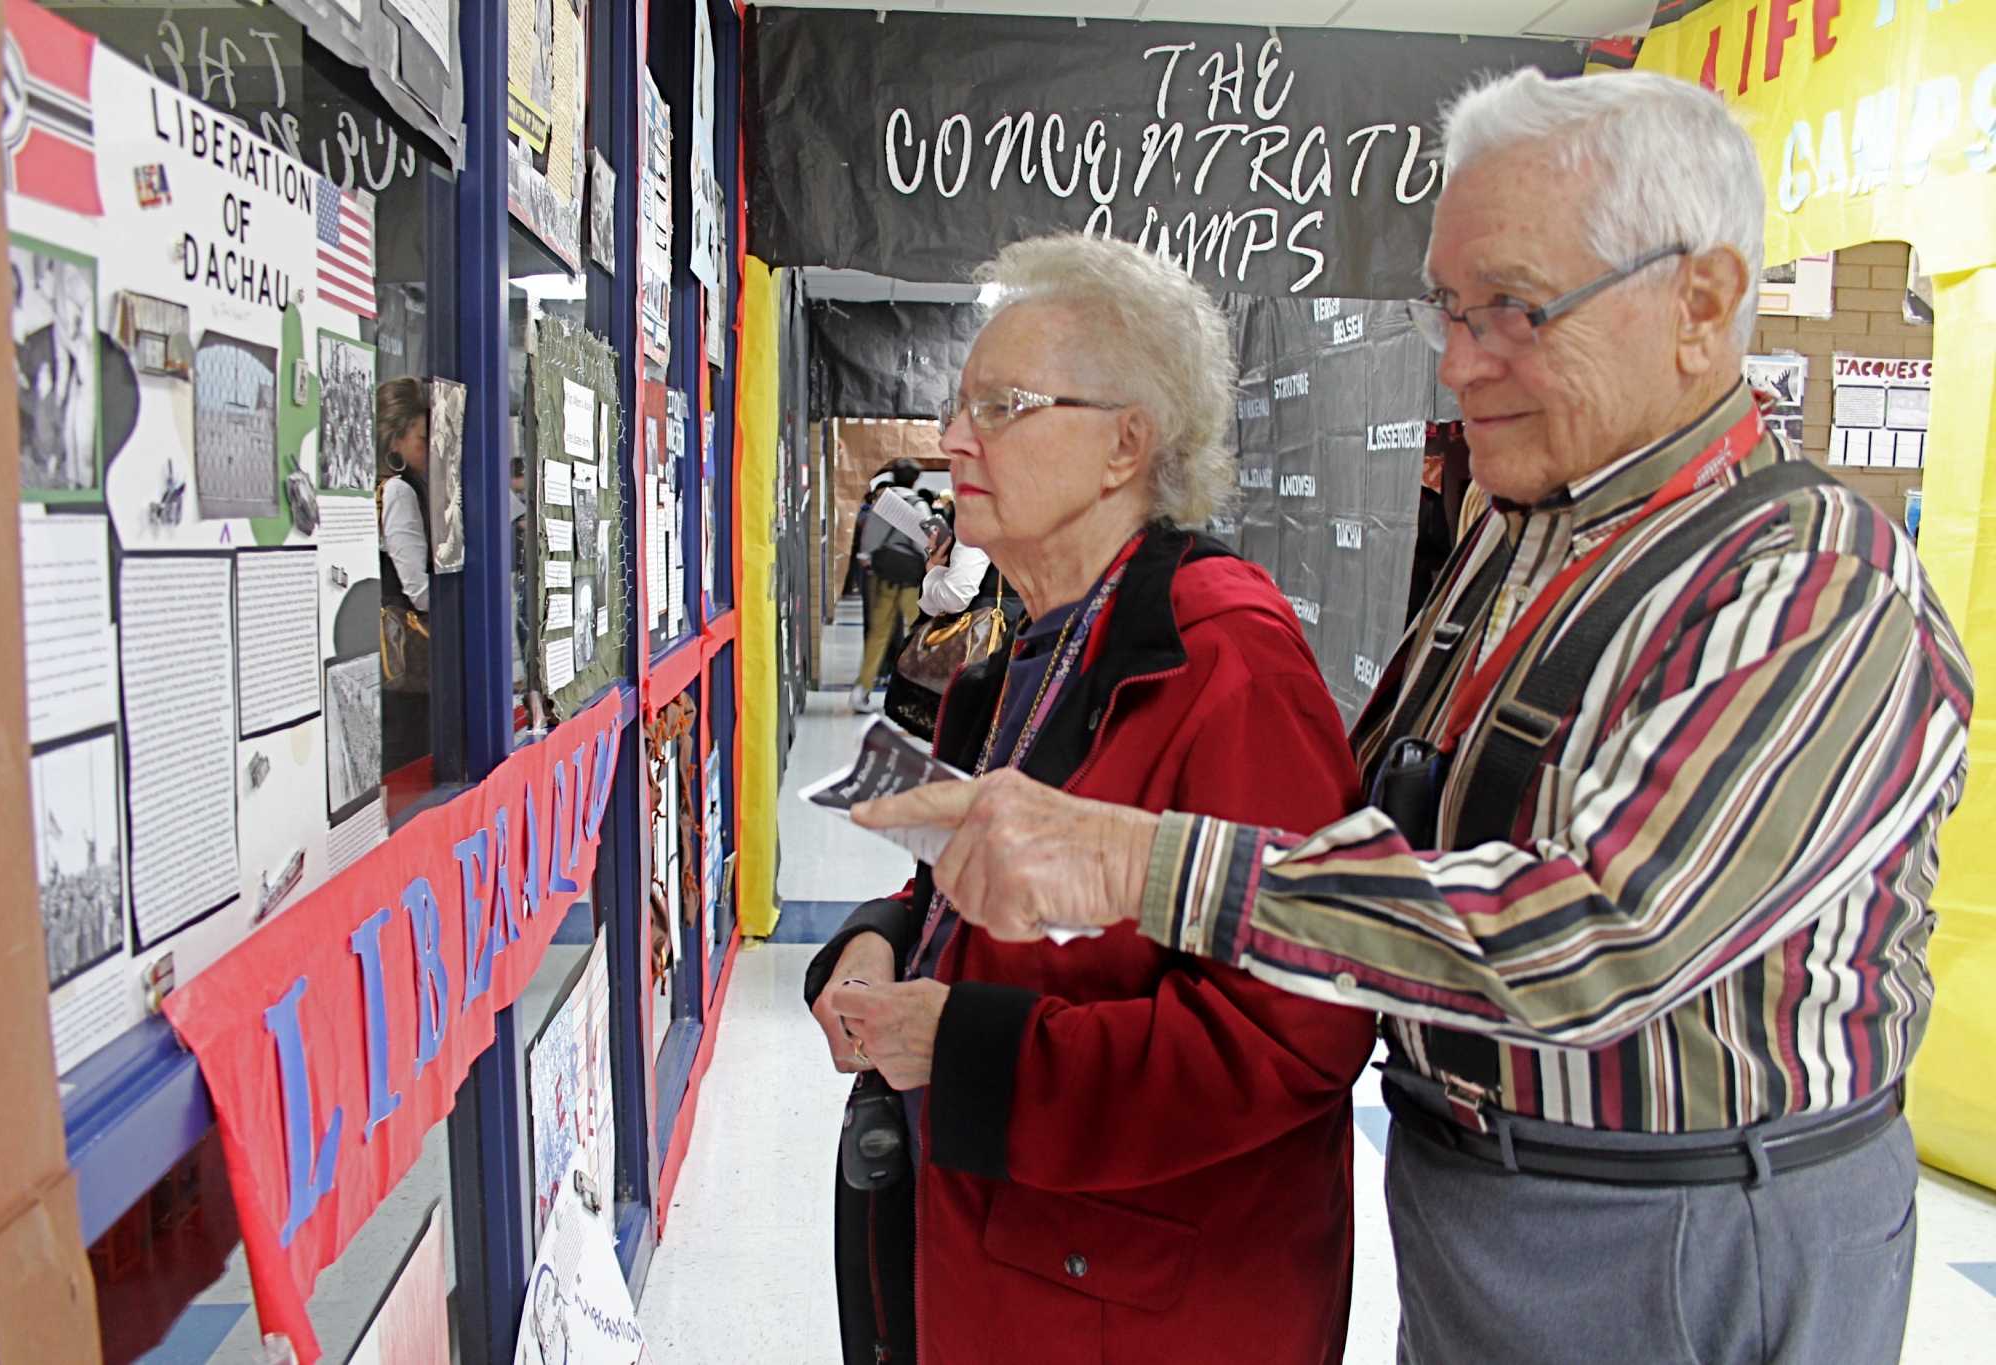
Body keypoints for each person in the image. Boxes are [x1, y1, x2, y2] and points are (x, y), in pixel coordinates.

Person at [853, 70, 1973, 1365]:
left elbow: (1591, 944)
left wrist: (1137, 862)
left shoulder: (1809, 583)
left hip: (1681, 1231)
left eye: (1512, 309)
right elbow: (1385, 836)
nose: (1457, 361)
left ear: (1703, 304)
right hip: (1478, 1207)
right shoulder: (1524, 535)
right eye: (1448, 308)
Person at [806, 234, 1373, 1365]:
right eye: (959, 405)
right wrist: (883, 941)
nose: (953, 439)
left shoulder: (1227, 664)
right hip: (1019, 1275)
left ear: (1126, 443)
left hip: (1147, 1315)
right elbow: (984, 899)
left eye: (1001, 407)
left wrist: (966, 1047)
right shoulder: (1045, 649)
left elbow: (1301, 1027)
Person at [376, 377, 434, 771]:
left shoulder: (378, 487)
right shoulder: (399, 491)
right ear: (395, 440)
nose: (429, 449)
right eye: (421, 439)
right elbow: (420, 591)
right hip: (408, 662)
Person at [849, 459, 928, 711]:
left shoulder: (883, 504)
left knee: (878, 634)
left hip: (885, 577)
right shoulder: (919, 505)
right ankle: (917, 692)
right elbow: (926, 542)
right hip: (911, 579)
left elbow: (869, 542)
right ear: (915, 480)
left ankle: (861, 690)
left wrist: (869, 558)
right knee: (917, 634)